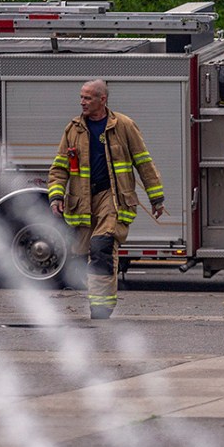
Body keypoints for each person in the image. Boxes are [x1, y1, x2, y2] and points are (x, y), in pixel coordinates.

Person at [48, 80, 165, 320]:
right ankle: (99, 299)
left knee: (102, 246)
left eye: (88, 98)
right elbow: (59, 168)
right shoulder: (73, 129)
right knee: (85, 252)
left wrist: (156, 198)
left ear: (103, 100)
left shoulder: (123, 125)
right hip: (82, 200)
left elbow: (144, 163)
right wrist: (56, 195)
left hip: (113, 197)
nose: (82, 102)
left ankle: (100, 308)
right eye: (81, 97)